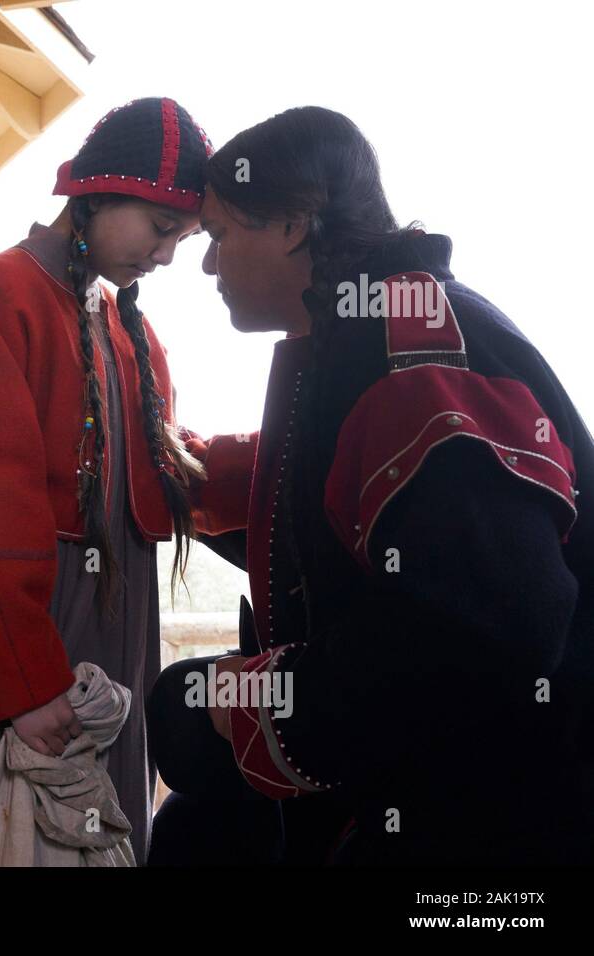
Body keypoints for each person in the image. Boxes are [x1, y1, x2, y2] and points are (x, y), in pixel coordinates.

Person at [159, 105, 593, 864]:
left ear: (294, 224)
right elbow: (353, 513)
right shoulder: (368, 335)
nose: (205, 263)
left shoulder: (413, 349)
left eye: (221, 235)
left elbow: (489, 625)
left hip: (492, 834)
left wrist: (255, 703)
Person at [0, 98, 257, 866]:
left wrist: (289, 462)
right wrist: (27, 682)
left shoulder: (127, 334)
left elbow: (170, 471)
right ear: (99, 194)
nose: (170, 255)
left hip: (92, 652)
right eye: (161, 227)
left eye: (187, 235)